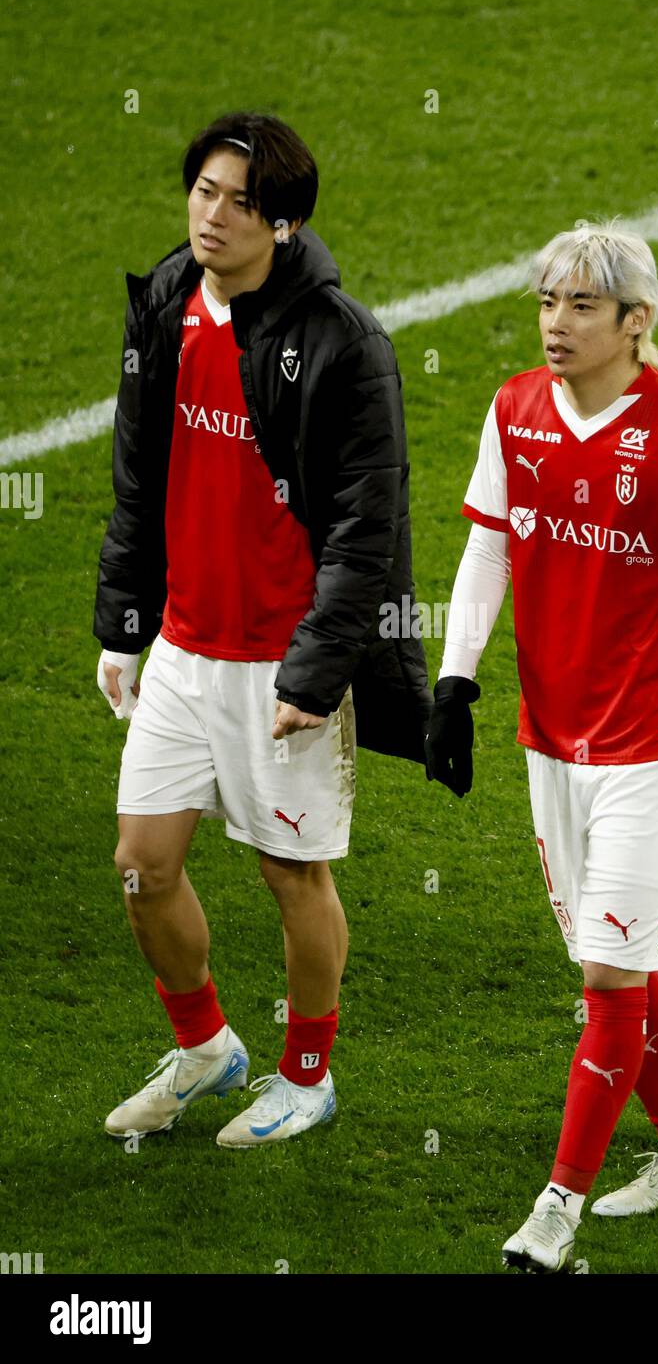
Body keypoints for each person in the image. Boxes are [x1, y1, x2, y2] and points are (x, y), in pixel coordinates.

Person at [425, 220, 658, 1271]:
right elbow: (488, 543)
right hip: (550, 737)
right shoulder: (514, 409)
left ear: (636, 320)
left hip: (656, 744)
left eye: (580, 305)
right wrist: (453, 680)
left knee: (608, 981)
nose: (554, 323)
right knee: (610, 959)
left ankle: (555, 1211)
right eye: (545, 301)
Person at [94, 110, 430, 1149]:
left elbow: (366, 526)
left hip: (285, 664)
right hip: (187, 650)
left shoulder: (342, 342)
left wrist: (316, 672)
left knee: (291, 875)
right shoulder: (163, 302)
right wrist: (123, 623)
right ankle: (207, 1047)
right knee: (142, 866)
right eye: (203, 189)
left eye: (240, 201)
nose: (213, 214)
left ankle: (307, 1073)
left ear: (282, 222)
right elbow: (138, 476)